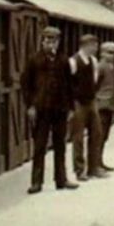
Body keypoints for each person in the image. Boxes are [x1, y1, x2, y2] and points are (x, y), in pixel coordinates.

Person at [20, 26, 79, 194]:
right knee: (40, 146)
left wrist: (70, 108)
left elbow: (69, 85)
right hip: (41, 109)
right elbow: (26, 85)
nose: (50, 44)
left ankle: (61, 180)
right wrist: (30, 106)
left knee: (60, 145)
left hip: (60, 108)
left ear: (58, 42)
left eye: (53, 41)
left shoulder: (63, 60)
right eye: (47, 40)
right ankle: (36, 182)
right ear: (42, 41)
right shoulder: (34, 60)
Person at [69, 33, 108, 181]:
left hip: (91, 102)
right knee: (78, 137)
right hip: (78, 103)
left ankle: (93, 167)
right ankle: (79, 170)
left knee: (96, 133)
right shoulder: (73, 62)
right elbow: (68, 84)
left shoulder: (94, 61)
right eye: (94, 45)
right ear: (86, 45)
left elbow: (95, 80)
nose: (96, 48)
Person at [96, 41, 114, 172]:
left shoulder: (111, 67)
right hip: (101, 106)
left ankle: (99, 162)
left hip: (109, 105)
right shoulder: (100, 67)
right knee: (98, 136)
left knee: (104, 136)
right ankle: (95, 164)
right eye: (110, 52)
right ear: (102, 53)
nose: (113, 56)